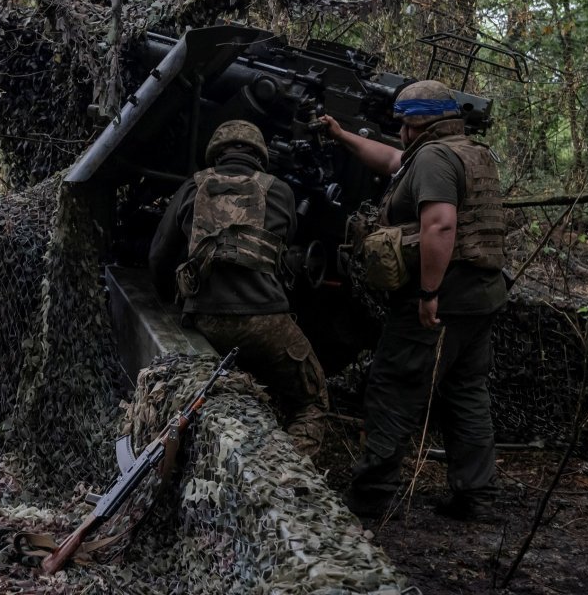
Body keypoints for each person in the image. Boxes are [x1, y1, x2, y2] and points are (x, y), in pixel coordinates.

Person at [320, 80, 509, 522]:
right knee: (465, 394)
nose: (399, 132)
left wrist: (427, 294)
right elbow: (390, 161)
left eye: (403, 123)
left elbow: (440, 225)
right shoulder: (467, 152)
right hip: (481, 296)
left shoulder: (434, 159)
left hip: (443, 298)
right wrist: (342, 135)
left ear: (417, 124)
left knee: (393, 388)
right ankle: (476, 496)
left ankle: (369, 499)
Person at [149, 119, 328, 458]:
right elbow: (284, 249)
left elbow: (159, 255)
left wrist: (172, 302)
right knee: (312, 399)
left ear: (216, 152)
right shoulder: (280, 190)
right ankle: (285, 473)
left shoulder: (193, 186)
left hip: (205, 320)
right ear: (260, 155)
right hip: (265, 321)